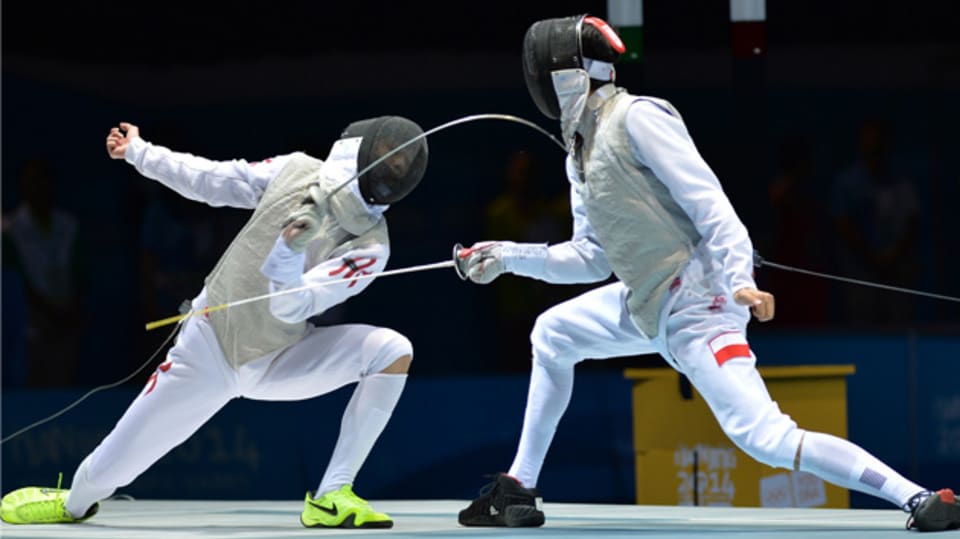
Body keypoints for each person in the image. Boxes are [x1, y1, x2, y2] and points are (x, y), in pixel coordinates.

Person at [454, 14, 959, 532]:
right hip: (646, 303)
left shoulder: (639, 118)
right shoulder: (580, 153)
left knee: (767, 438)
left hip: (702, 306)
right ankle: (518, 489)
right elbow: (592, 257)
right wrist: (507, 257)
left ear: (566, 77)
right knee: (554, 334)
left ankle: (919, 498)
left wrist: (740, 278)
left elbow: (714, 208)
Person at [0, 116, 429, 529]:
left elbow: (292, 307)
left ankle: (333, 495)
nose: (393, 162)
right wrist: (141, 153)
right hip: (210, 347)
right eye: (389, 154)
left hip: (280, 358)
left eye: (399, 162)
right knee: (104, 472)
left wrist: (287, 253)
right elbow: (214, 180)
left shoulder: (372, 246)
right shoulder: (296, 170)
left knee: (392, 350)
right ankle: (73, 504)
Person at [1, 158, 86, 386]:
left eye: (43, 181)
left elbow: (79, 273)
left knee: (63, 384)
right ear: (22, 186)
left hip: (66, 321)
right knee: (29, 388)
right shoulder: (8, 229)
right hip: (28, 326)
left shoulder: (69, 225)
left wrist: (70, 312)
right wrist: (46, 313)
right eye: (32, 182)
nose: (39, 187)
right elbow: (14, 281)